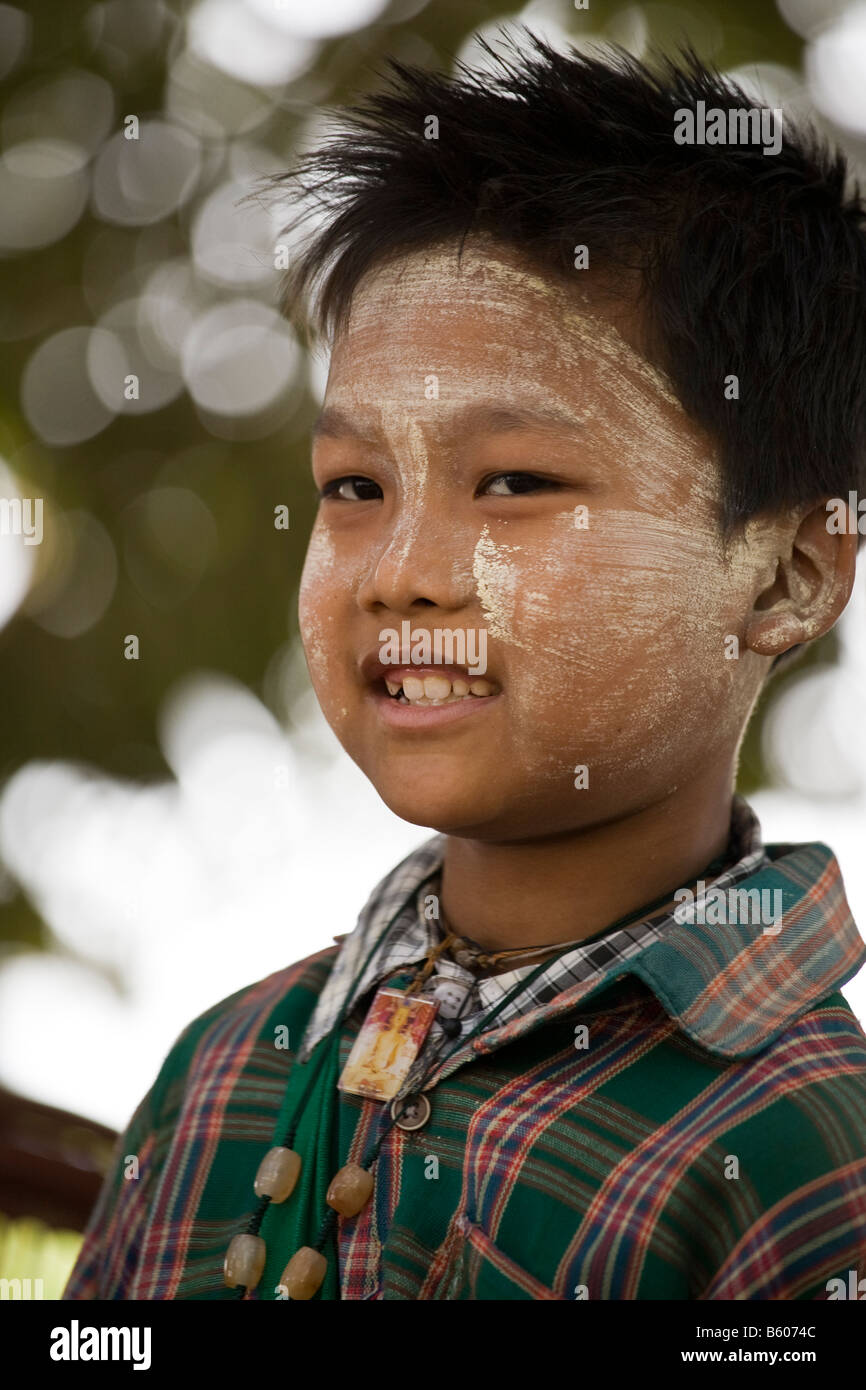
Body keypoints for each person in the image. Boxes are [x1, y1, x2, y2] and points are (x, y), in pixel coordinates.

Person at [64, 32, 866, 1301]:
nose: (398, 571)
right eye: (353, 486)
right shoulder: (222, 1070)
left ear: (785, 576)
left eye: (515, 482)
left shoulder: (803, 1153)